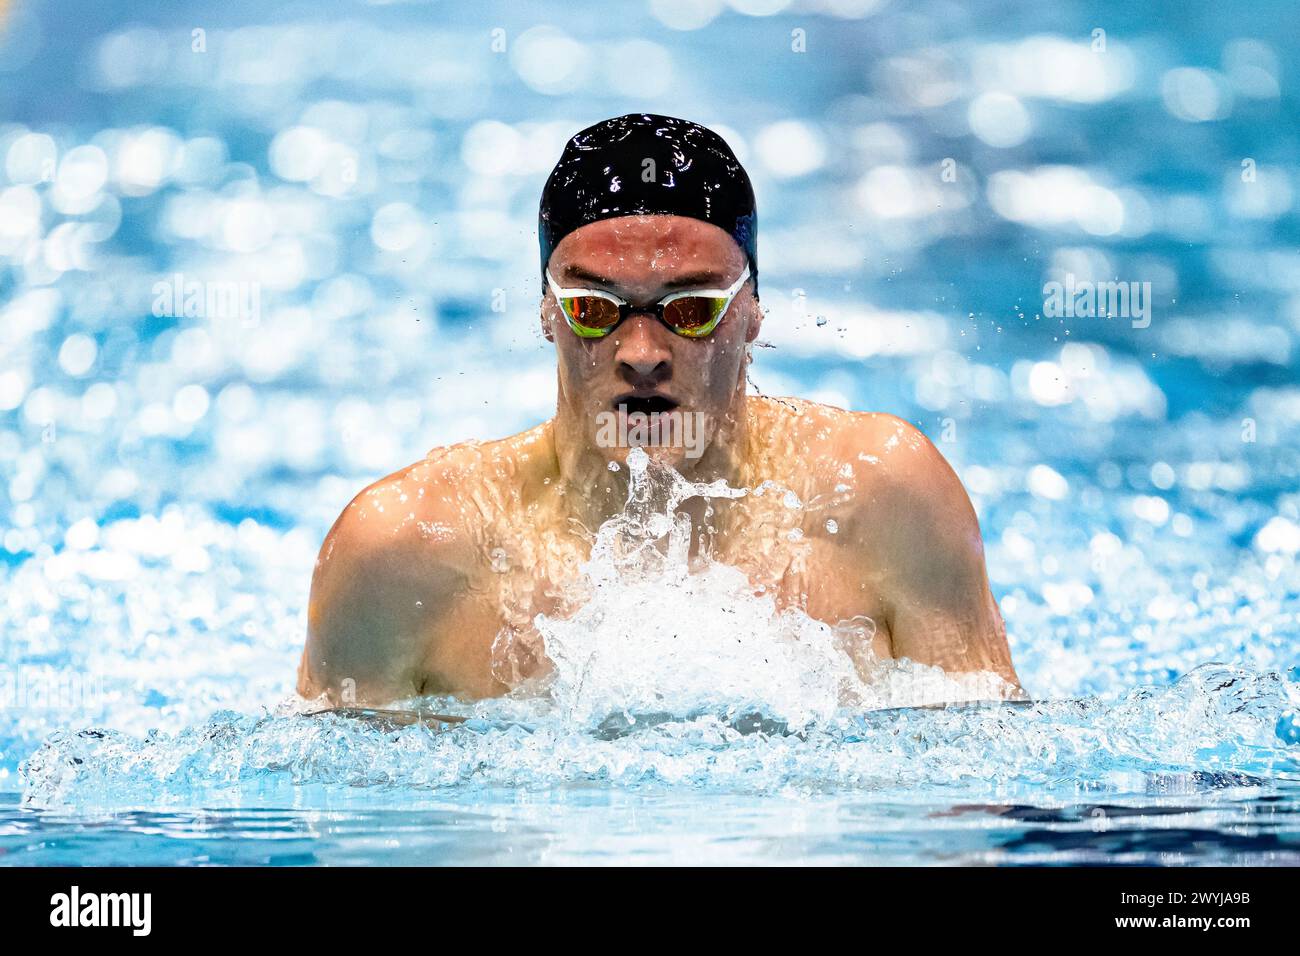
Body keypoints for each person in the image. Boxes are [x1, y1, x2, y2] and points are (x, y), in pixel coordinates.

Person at [297, 113, 1020, 706]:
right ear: (547, 313)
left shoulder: (884, 499)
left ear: (753, 313)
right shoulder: (403, 552)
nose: (642, 350)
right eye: (593, 308)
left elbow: (977, 793)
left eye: (691, 309)